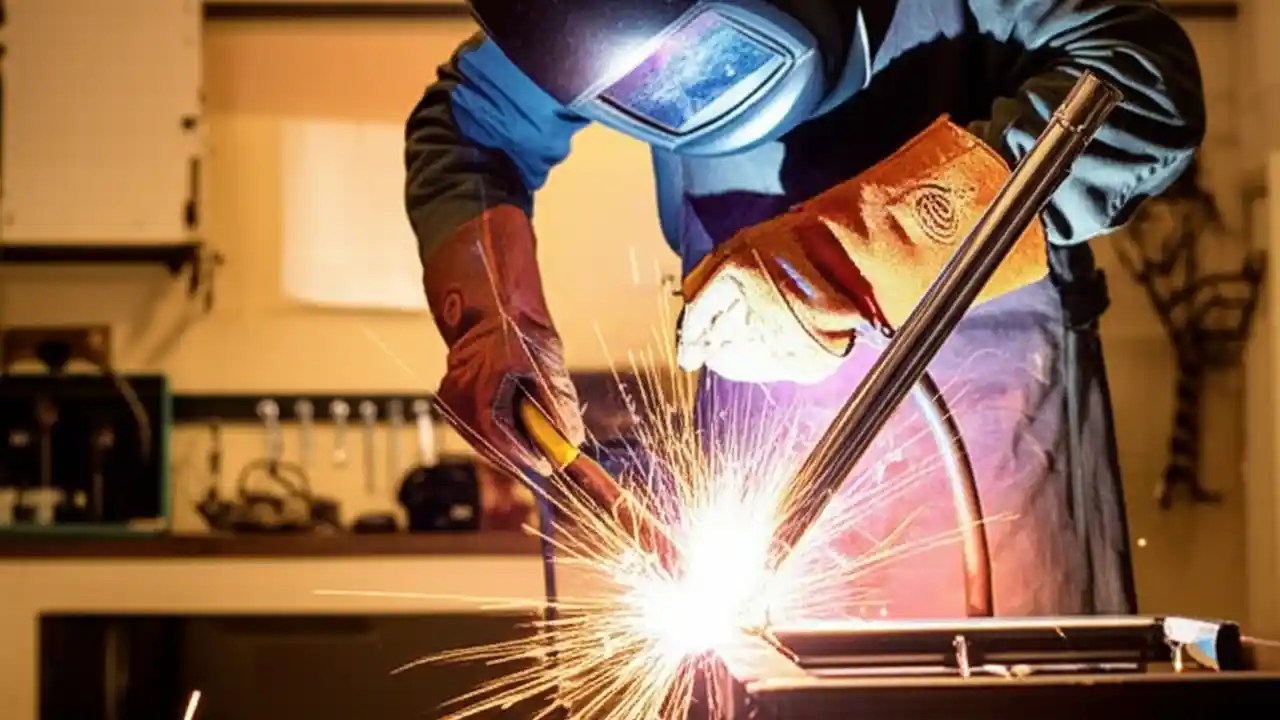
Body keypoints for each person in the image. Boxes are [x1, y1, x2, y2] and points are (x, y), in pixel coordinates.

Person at [404, 0, 1205, 617]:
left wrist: (853, 254)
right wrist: (492, 318)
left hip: (989, 394)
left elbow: (1142, 84)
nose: (693, 95)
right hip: (753, 395)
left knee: (1008, 677)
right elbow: (471, 125)